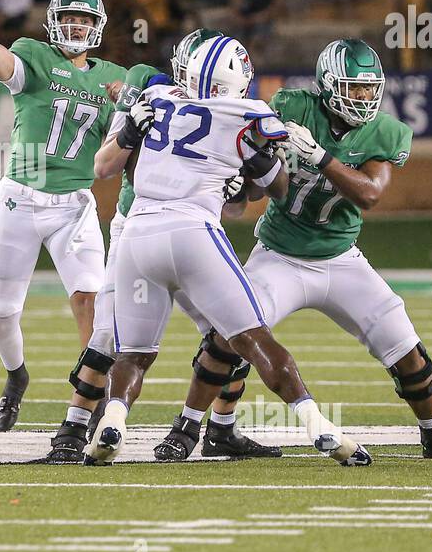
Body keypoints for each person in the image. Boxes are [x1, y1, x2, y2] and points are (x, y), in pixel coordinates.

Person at [156, 39, 432, 462]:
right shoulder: (293, 106)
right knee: (226, 336)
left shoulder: (384, 132)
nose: (364, 98)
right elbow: (258, 168)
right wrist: (240, 180)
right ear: (329, 85)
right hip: (279, 254)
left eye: (370, 89)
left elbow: (369, 195)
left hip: (341, 258)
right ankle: (189, 428)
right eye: (355, 88)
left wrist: (321, 156)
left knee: (408, 351)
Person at [86, 31, 371, 467]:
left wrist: (127, 110)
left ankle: (115, 421)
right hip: (192, 232)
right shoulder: (250, 111)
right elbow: (277, 188)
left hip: (137, 234)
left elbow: (108, 163)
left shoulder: (158, 97)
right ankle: (319, 425)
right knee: (251, 336)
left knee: (134, 353)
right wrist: (260, 163)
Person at [46, 30, 281, 462]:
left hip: (194, 231)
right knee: (108, 334)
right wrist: (133, 127)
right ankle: (74, 427)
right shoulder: (149, 88)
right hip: (137, 224)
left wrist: (236, 189)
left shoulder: (232, 113)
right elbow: (105, 164)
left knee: (230, 333)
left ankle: (217, 428)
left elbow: (234, 210)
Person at [0, 0, 126, 434]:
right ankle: (16, 377)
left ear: (97, 26)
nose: (77, 27)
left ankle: (92, 396)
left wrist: (129, 107)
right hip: (21, 200)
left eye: (85, 20)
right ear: (53, 24)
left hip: (75, 206)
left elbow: (123, 148)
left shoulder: (112, 80)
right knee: (2, 316)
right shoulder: (34, 58)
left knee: (91, 300)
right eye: (69, 19)